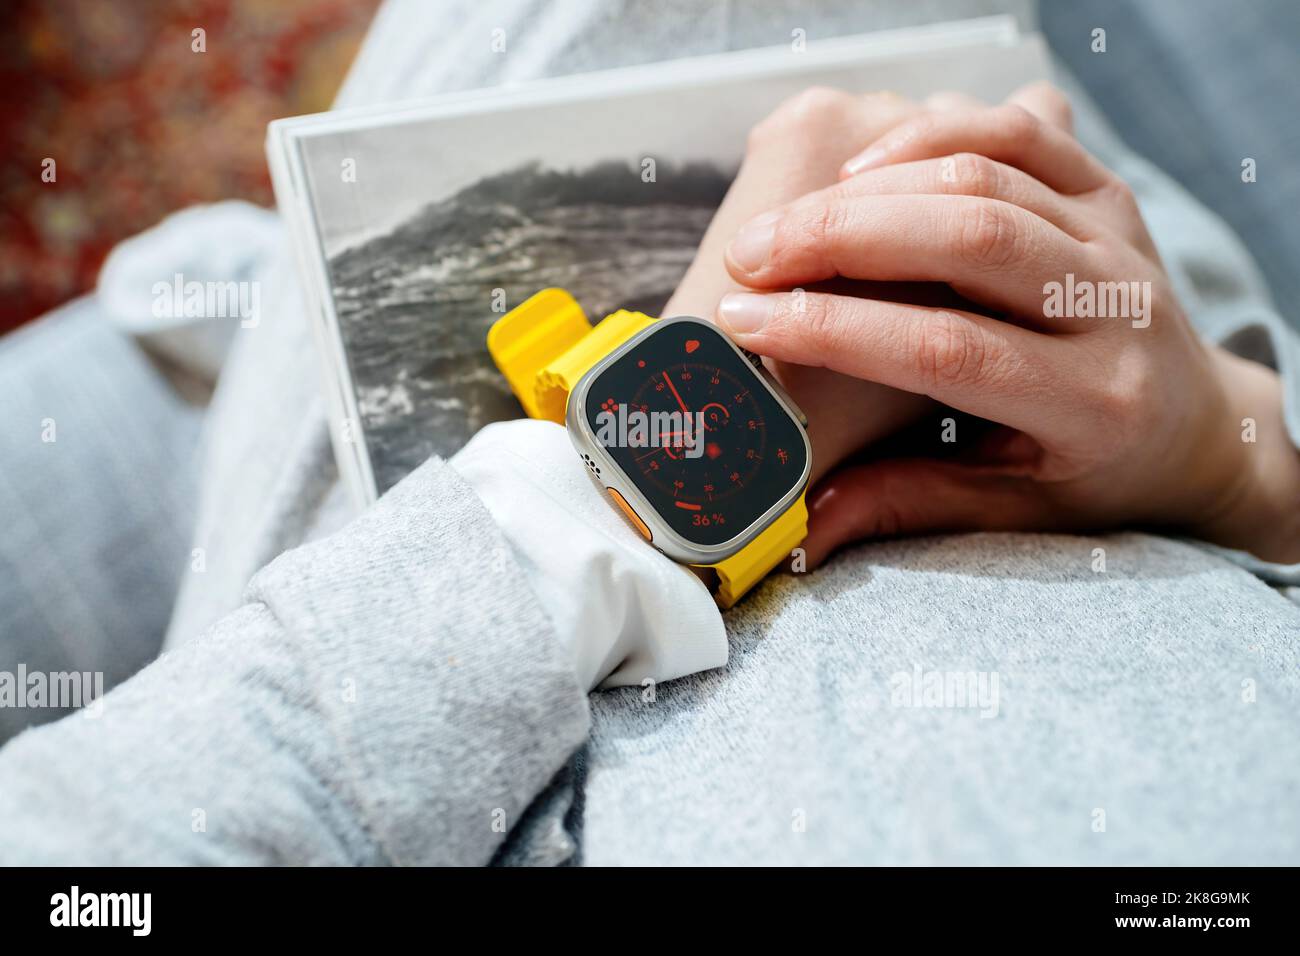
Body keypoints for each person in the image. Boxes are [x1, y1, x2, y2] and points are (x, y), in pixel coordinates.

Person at [1, 1, 1298, 865]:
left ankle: (278, 322)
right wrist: (1243, 464)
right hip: (1139, 461)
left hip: (413, 623)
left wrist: (585, 516)